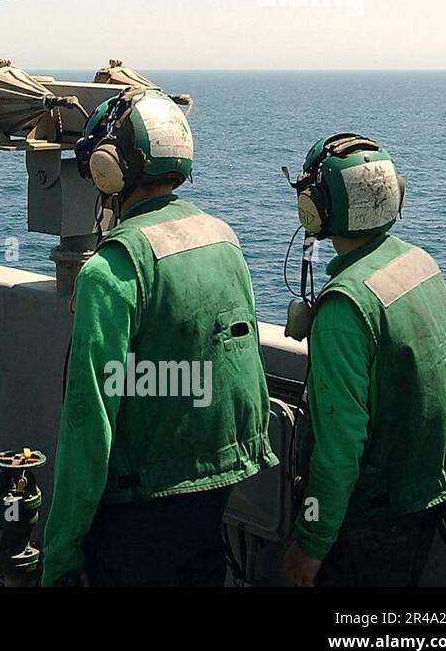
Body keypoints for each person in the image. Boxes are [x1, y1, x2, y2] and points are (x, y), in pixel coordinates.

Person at [42, 87, 277, 586]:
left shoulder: (110, 269)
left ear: (109, 167)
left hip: (138, 510)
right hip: (214, 490)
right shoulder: (222, 238)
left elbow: (88, 423)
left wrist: (61, 552)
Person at [282, 133, 446, 587]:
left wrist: (311, 543)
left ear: (316, 208)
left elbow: (338, 448)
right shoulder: (419, 263)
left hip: (370, 521)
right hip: (427, 496)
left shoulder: (345, 308)